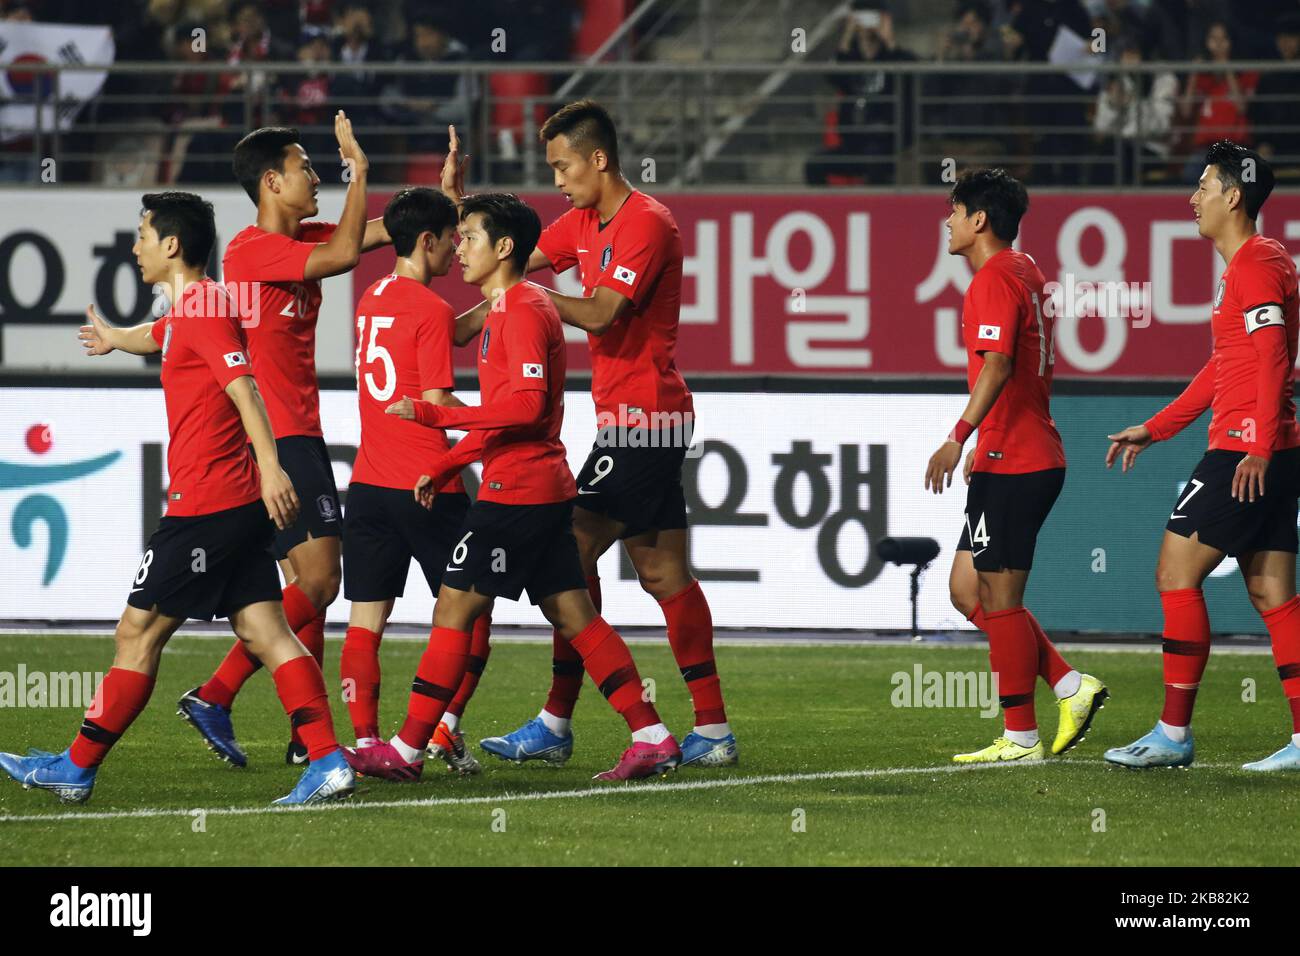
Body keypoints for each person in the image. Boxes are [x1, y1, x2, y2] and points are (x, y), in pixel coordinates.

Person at [0, 192, 354, 806]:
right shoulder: (193, 309)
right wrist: (115, 338)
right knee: (266, 629)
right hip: (230, 502)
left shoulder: (206, 308)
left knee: (136, 632)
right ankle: (326, 760)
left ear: (171, 245)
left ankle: (76, 767)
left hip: (208, 504)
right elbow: (161, 335)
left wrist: (272, 469)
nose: (134, 246)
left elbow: (246, 389)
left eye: (141, 234)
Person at [348, 192, 682, 782]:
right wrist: (450, 464)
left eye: (470, 236)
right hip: (535, 484)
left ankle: (405, 749)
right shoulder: (510, 308)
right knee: (573, 613)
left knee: (455, 604)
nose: (461, 247)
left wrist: (437, 418)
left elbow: (524, 409)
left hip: (520, 490)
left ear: (504, 247)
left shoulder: (522, 309)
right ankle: (651, 734)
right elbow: (506, 416)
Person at [443, 103, 737, 769]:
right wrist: (455, 308)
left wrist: (520, 302)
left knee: (567, 553)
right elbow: (511, 264)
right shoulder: (581, 221)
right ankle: (713, 730)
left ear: (598, 159)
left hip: (645, 419)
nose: (558, 181)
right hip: (634, 420)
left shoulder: (648, 224)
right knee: (664, 574)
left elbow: (602, 314)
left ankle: (559, 719)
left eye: (563, 166)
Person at [177, 113, 390, 768]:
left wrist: (445, 204)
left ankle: (307, 737)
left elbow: (375, 234)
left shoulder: (303, 238)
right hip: (278, 435)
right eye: (304, 166)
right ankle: (216, 692)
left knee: (306, 588)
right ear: (272, 182)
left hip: (300, 431)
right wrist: (360, 170)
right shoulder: (250, 250)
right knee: (321, 579)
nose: (315, 175)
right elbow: (349, 253)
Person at [1104, 141, 1300, 771]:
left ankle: (1172, 734)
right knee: (1273, 592)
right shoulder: (1247, 267)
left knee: (1174, 572)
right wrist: (1156, 429)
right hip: (1266, 446)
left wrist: (1258, 446)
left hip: (1247, 449)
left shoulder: (1257, 263)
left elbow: (1273, 358)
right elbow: (1224, 368)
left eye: (1205, 186)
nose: (1194, 198)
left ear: (1233, 196)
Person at [924, 167, 1108, 763]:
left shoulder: (992, 278)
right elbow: (1019, 369)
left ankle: (1020, 735)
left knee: (1000, 600)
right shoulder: (1025, 270)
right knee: (964, 589)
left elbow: (999, 363)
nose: (947, 221)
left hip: (1017, 460)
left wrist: (959, 436)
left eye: (954, 211)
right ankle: (1068, 684)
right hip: (1016, 450)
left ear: (979, 220)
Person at [342, 186, 492, 775]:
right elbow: (434, 398)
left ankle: (367, 742)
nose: (457, 251)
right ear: (427, 241)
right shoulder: (429, 310)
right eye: (451, 240)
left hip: (370, 485)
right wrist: (498, 417)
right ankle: (439, 730)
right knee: (469, 613)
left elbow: (440, 334)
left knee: (365, 621)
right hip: (428, 484)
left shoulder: (370, 297)